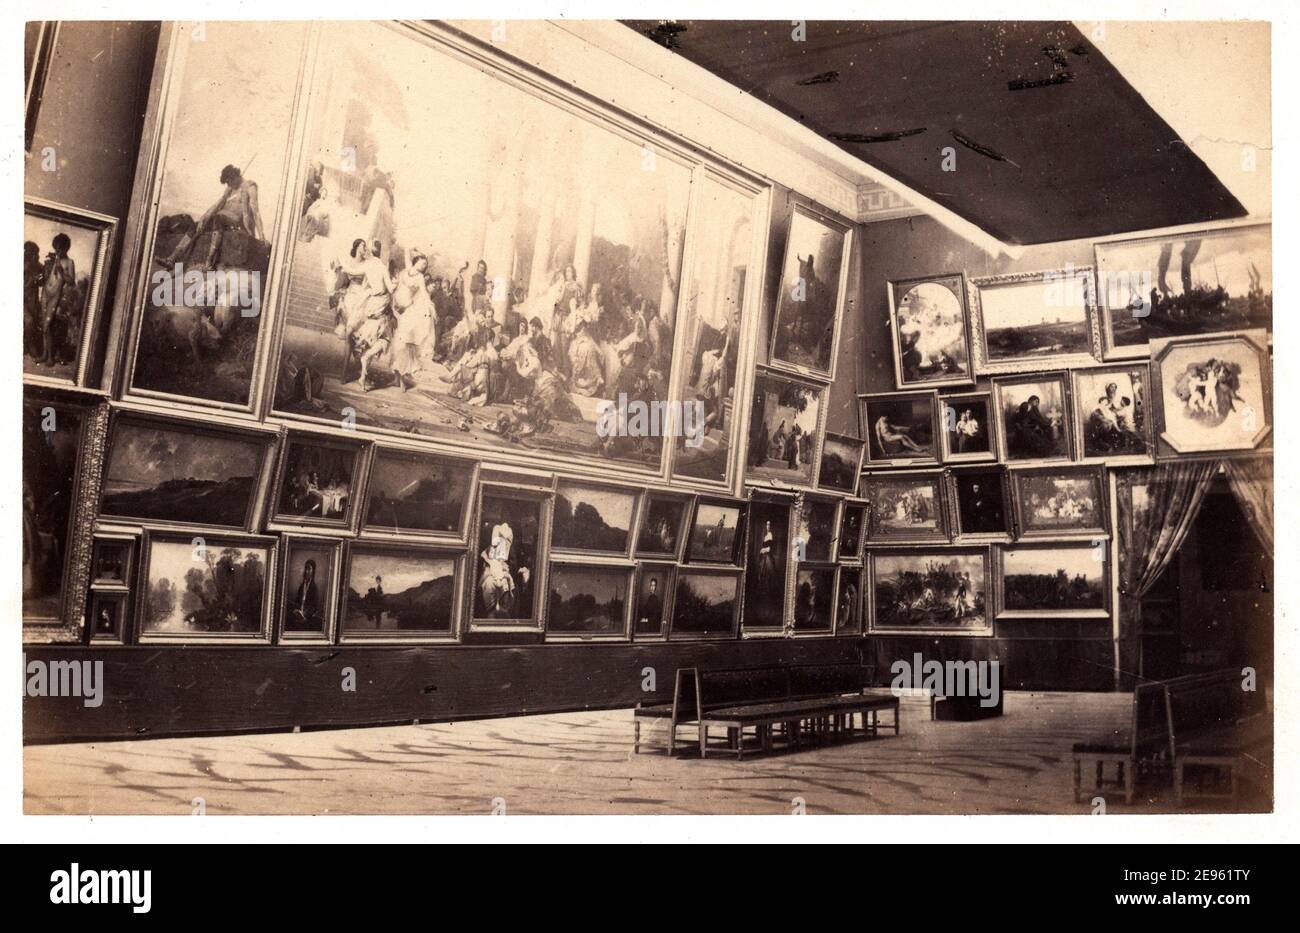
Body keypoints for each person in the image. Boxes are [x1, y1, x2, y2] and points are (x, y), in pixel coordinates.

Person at [162, 164, 264, 270]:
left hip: (236, 221)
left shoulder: (250, 186)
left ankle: (210, 261)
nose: (228, 185)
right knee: (196, 226)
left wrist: (261, 235)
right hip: (221, 218)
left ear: (235, 177)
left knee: (217, 218)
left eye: (229, 181)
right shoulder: (230, 188)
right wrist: (204, 217)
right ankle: (172, 258)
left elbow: (255, 211)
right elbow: (217, 204)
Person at [391, 252, 436, 391]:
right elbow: (406, 251)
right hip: (398, 306)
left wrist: (431, 307)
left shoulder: (421, 277)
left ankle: (403, 378)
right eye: (423, 263)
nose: (424, 266)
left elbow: (423, 293)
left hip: (410, 309)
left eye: (425, 265)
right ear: (416, 261)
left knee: (405, 343)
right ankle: (396, 378)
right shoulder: (407, 269)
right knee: (398, 343)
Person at [38, 233, 76, 366]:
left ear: (66, 248)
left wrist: (61, 270)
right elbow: (46, 277)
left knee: (50, 324)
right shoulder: (53, 259)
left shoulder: (69, 262)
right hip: (46, 294)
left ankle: (51, 357)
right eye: (56, 248)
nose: (58, 251)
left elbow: (71, 281)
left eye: (61, 248)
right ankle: (45, 354)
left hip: (57, 296)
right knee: (45, 324)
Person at [287, 559, 321, 631]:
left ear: (313, 571)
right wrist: (296, 610)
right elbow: (297, 602)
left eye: (309, 569)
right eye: (306, 568)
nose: (306, 571)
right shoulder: (302, 586)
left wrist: (305, 615)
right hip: (299, 615)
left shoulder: (314, 588)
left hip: (308, 618)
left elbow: (314, 607)